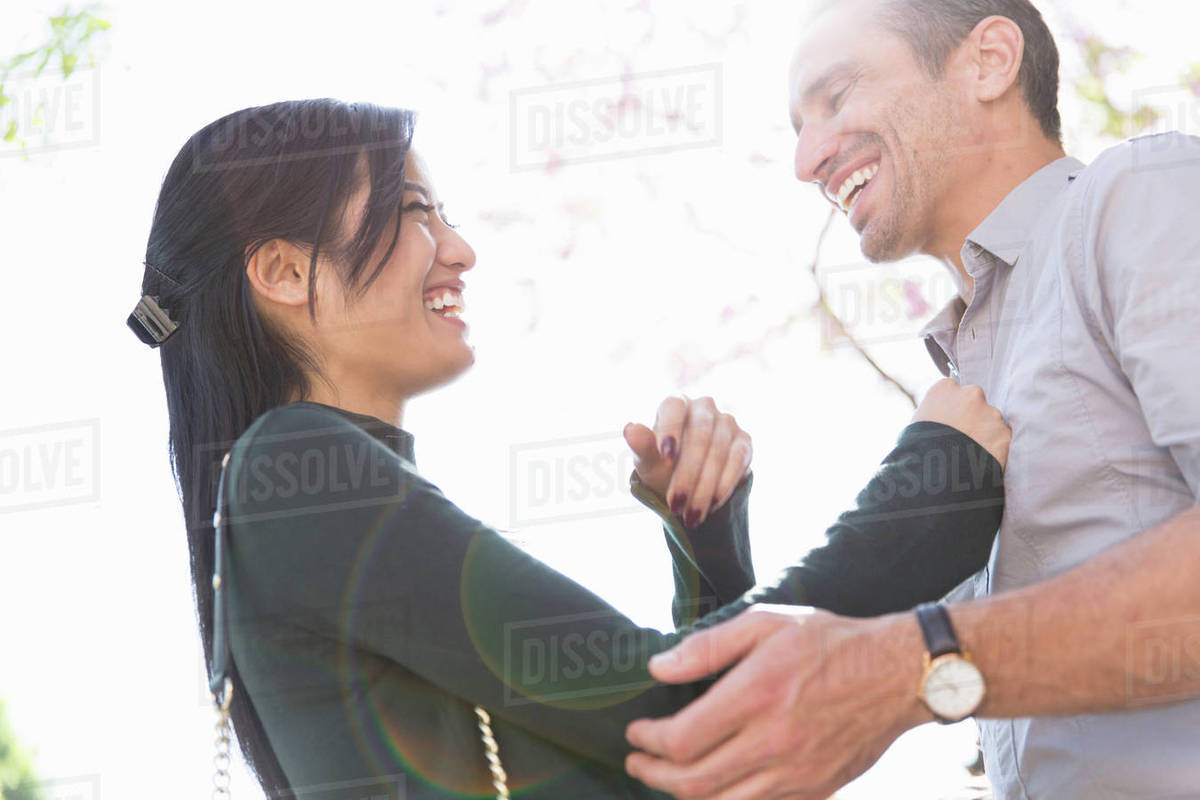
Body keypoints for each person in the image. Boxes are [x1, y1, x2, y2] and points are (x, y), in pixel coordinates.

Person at [130, 99, 1010, 799]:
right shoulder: (291, 471)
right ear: (283, 272)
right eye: (413, 212)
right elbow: (684, 707)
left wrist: (703, 542)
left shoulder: (302, 503)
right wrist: (935, 493)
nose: (460, 250)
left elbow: (697, 760)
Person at [624, 2, 1200, 799]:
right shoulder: (954, 406)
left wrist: (918, 664)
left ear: (990, 62)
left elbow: (897, 669)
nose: (805, 158)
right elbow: (756, 705)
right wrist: (711, 540)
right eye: (798, 124)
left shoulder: (1140, 196)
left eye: (836, 96)